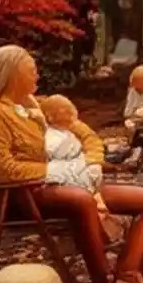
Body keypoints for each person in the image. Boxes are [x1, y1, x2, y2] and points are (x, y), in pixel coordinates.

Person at [0, 45, 143, 283]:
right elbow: (4, 171)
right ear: (12, 74)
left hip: (72, 183)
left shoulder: (36, 105)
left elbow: (87, 135)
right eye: (31, 70)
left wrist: (92, 163)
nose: (37, 75)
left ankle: (126, 276)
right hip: (25, 196)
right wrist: (62, 169)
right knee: (82, 200)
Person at [38, 95, 124, 243]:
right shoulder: (47, 133)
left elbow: (90, 138)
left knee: (92, 187)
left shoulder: (70, 126)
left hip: (81, 166)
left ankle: (101, 225)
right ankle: (96, 233)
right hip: (58, 177)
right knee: (86, 195)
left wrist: (93, 161)